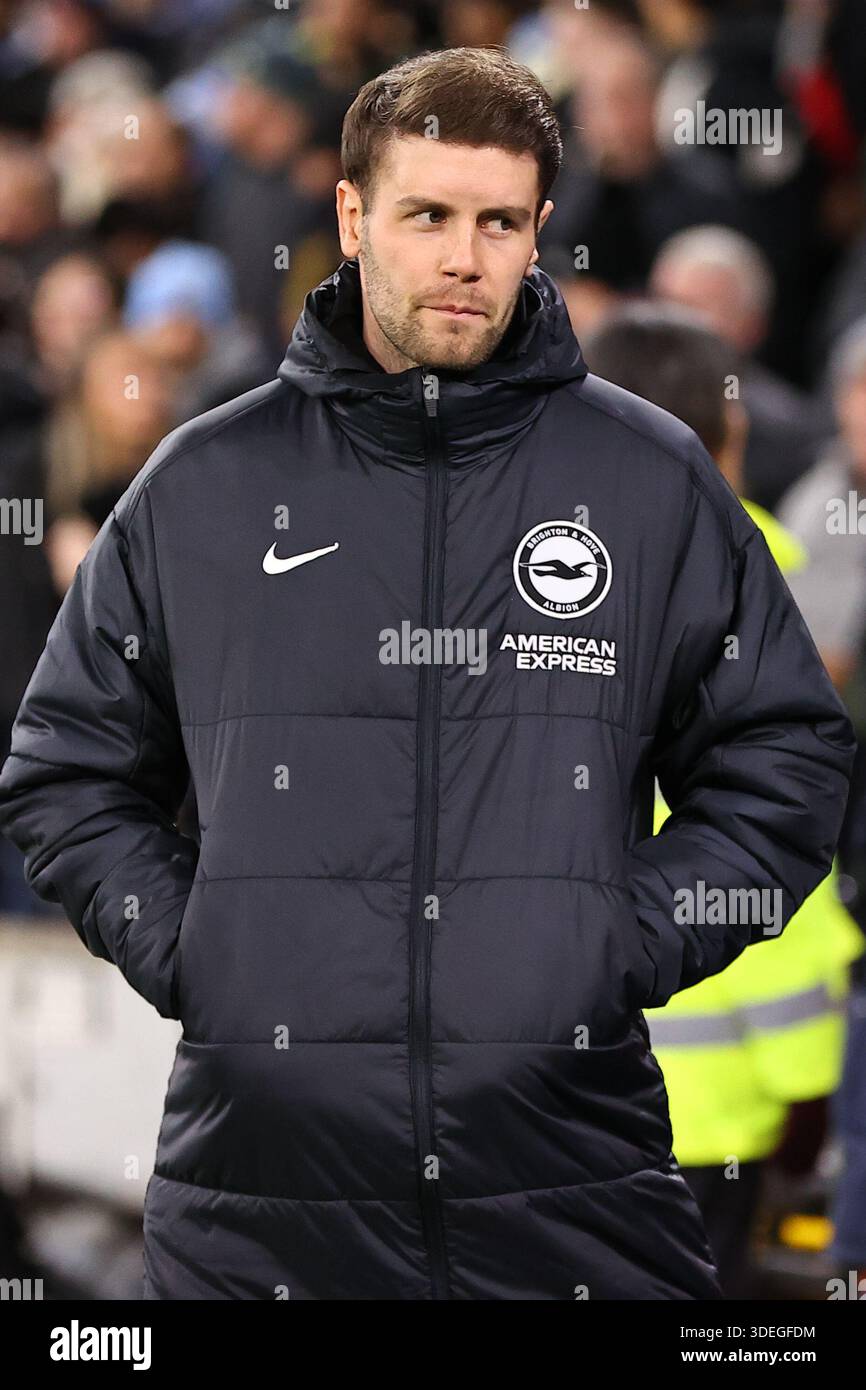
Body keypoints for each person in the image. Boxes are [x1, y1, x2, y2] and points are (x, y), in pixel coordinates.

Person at [0, 46, 855, 1302]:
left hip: (574, 1188)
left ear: (538, 230)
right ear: (352, 218)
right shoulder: (206, 485)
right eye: (428, 216)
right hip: (257, 1206)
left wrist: (610, 940)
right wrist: (210, 954)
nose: (464, 256)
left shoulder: (646, 480)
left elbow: (785, 758)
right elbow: (64, 773)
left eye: (500, 221)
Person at [585, 302, 864, 1297]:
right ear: (731, 435)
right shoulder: (752, 585)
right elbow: (766, 859)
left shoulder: (522, 575)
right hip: (713, 1116)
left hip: (549, 1093)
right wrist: (804, 1090)